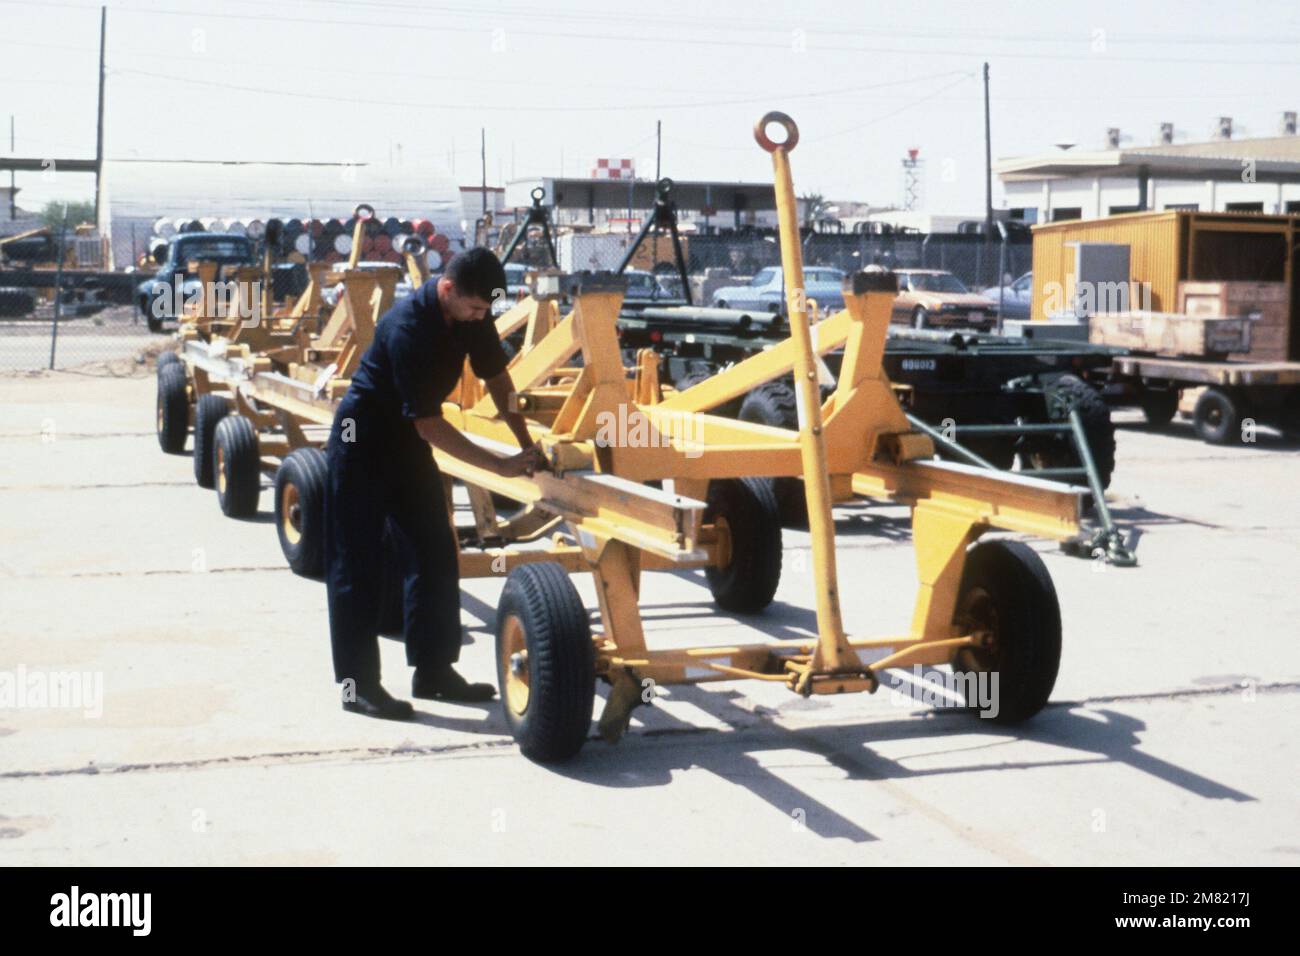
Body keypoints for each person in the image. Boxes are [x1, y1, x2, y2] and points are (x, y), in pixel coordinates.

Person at [324, 248, 545, 720]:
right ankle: (356, 686)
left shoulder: (471, 313)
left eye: (486, 311)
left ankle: (434, 671)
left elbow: (498, 380)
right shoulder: (408, 327)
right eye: (474, 309)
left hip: (404, 442)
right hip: (361, 442)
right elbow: (430, 424)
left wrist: (525, 444)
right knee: (356, 565)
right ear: (447, 290)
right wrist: (498, 467)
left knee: (433, 550)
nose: (480, 318)